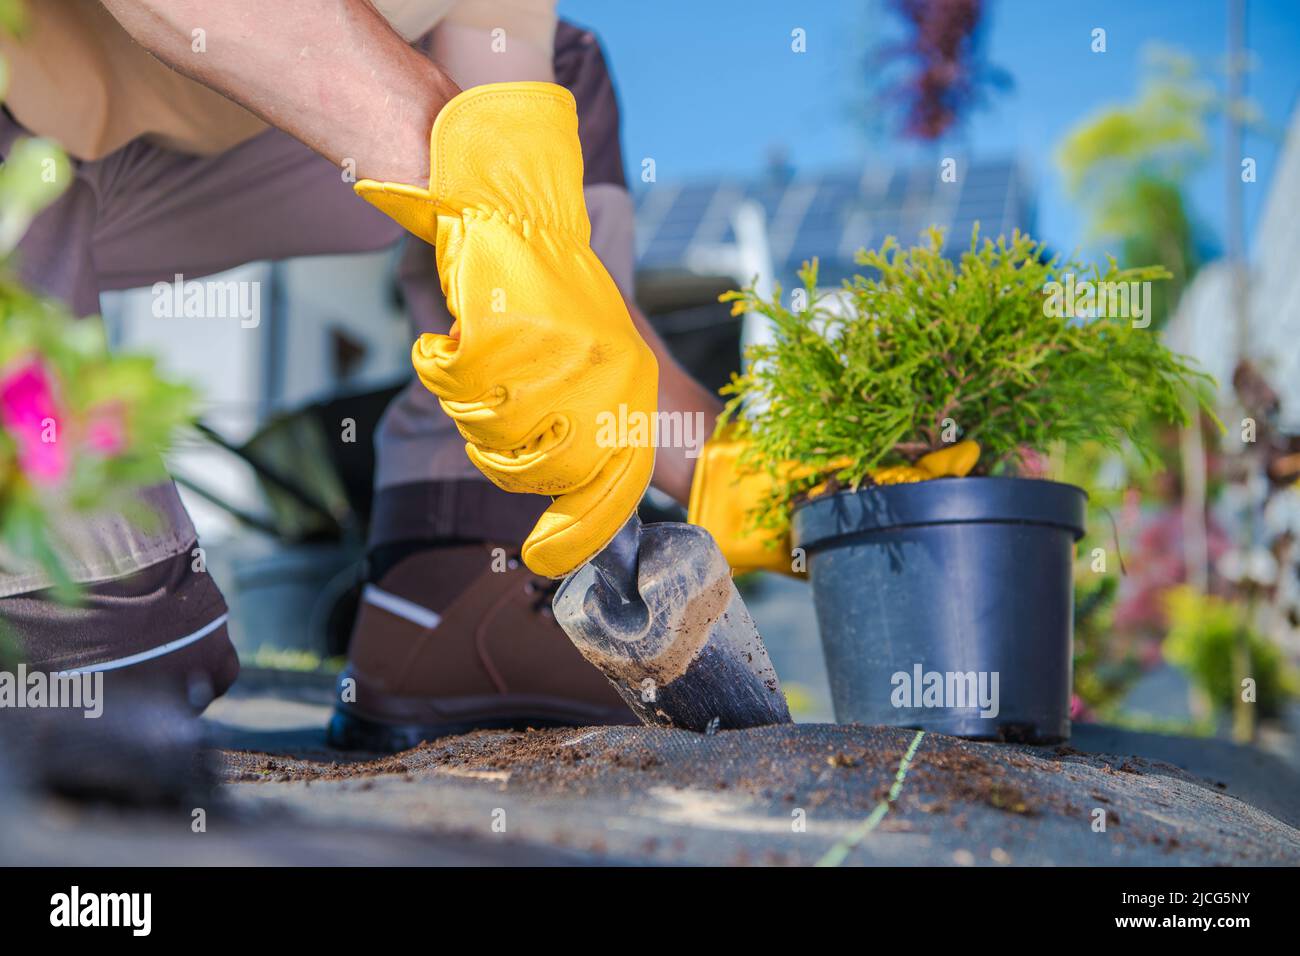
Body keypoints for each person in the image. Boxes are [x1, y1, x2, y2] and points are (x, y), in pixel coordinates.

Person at [0, 0, 721, 746]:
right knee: (110, 665)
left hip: (111, 152)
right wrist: (481, 195)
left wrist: (720, 469)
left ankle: (460, 594)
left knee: (538, 93)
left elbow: (493, 76)